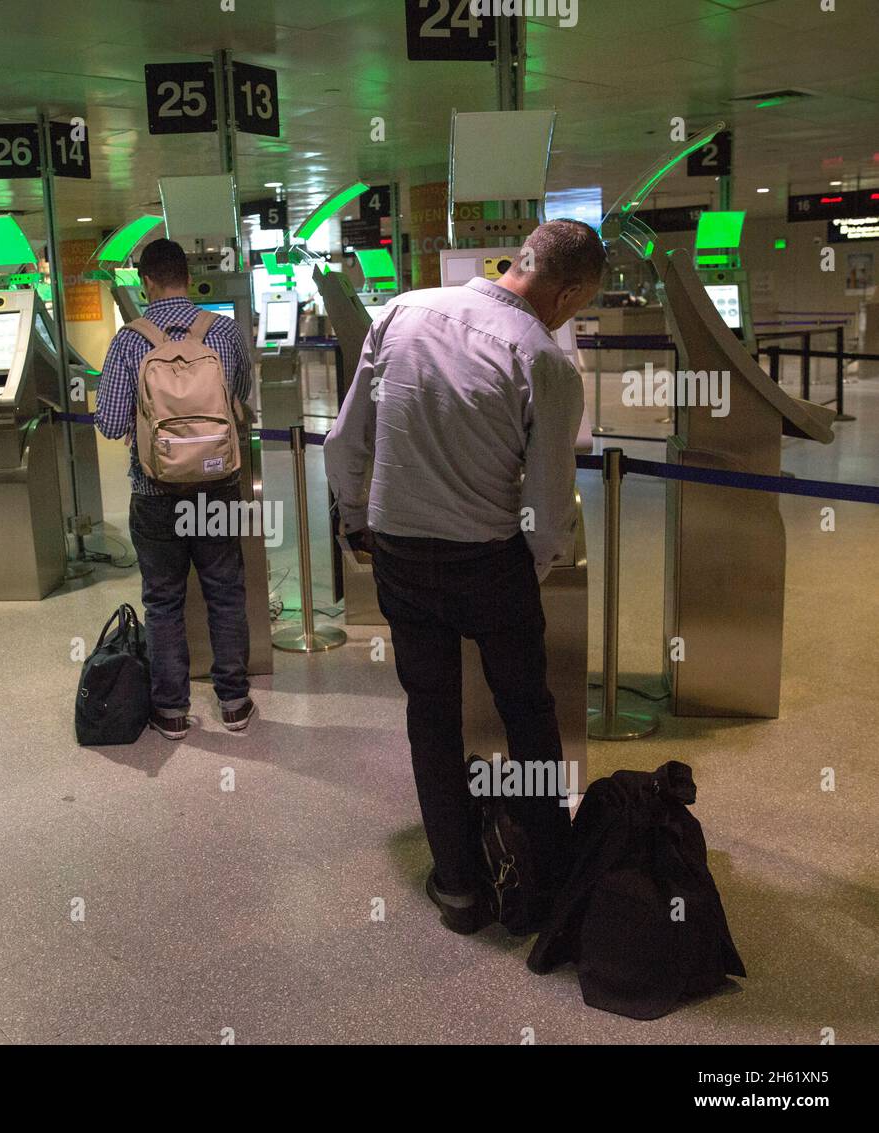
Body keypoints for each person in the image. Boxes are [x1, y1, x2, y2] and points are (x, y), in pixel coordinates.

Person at [324, 219, 606, 934]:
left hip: (399, 552)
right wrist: (530, 569)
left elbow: (346, 439)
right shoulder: (545, 360)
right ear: (568, 291)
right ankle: (546, 876)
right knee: (527, 711)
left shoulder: (401, 312)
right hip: (488, 561)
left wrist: (357, 520)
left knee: (431, 712)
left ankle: (457, 887)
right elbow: (547, 500)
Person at [95, 239, 257, 739]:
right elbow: (241, 397)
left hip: (154, 492)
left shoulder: (128, 341)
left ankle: (171, 711)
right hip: (218, 486)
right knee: (225, 593)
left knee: (163, 601)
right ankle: (234, 702)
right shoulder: (224, 332)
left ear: (146, 282)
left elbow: (110, 423)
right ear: (188, 277)